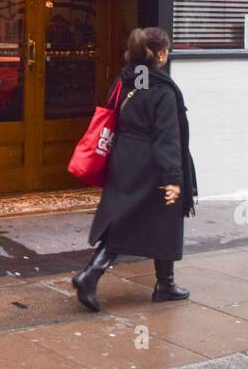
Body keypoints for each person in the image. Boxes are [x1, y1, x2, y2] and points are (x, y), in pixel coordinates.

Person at [72, 26, 198, 312]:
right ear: (161, 54)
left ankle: (163, 283)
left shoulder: (129, 79)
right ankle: (92, 274)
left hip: (125, 157)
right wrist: (173, 179)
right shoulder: (162, 89)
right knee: (161, 216)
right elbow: (167, 137)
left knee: (130, 218)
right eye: (167, 51)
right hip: (152, 164)